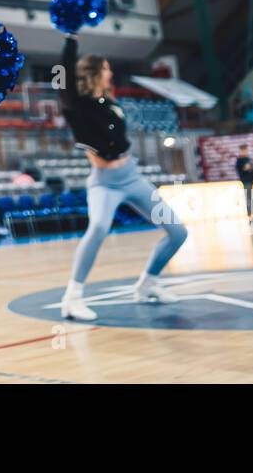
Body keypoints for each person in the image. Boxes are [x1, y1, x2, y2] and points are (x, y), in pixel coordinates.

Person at [58, 34, 189, 320]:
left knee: (178, 232)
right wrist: (71, 41)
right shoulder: (76, 105)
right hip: (105, 183)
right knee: (99, 228)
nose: (111, 72)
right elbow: (63, 75)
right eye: (106, 68)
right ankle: (72, 297)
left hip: (133, 177)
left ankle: (147, 284)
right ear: (93, 73)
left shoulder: (111, 102)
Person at [235, 145, 253, 227]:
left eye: (246, 150)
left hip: (251, 182)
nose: (245, 152)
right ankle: (251, 219)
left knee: (251, 200)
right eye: (244, 150)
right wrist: (247, 167)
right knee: (248, 200)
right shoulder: (239, 161)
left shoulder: (248, 159)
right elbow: (243, 170)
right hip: (246, 182)